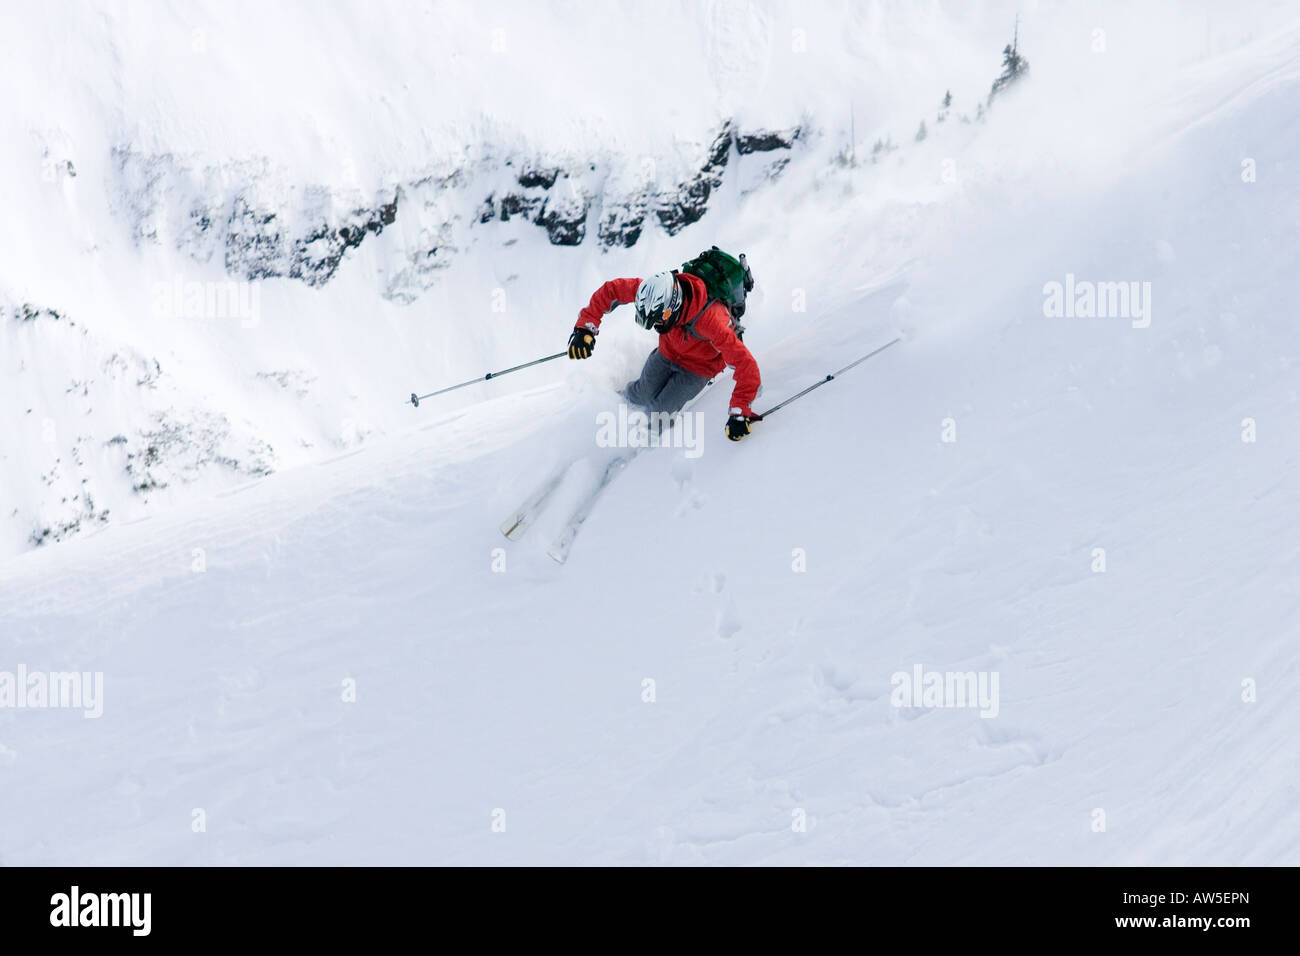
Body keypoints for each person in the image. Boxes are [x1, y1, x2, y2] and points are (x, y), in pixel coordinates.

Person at [566, 269, 762, 441]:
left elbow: (746, 365)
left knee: (658, 415)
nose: (655, 326)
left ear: (672, 308)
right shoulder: (653, 291)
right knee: (638, 394)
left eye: (657, 322)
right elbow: (611, 290)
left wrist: (740, 410)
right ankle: (605, 423)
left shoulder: (712, 321)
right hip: (667, 352)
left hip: (698, 369)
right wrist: (586, 327)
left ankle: (637, 456)